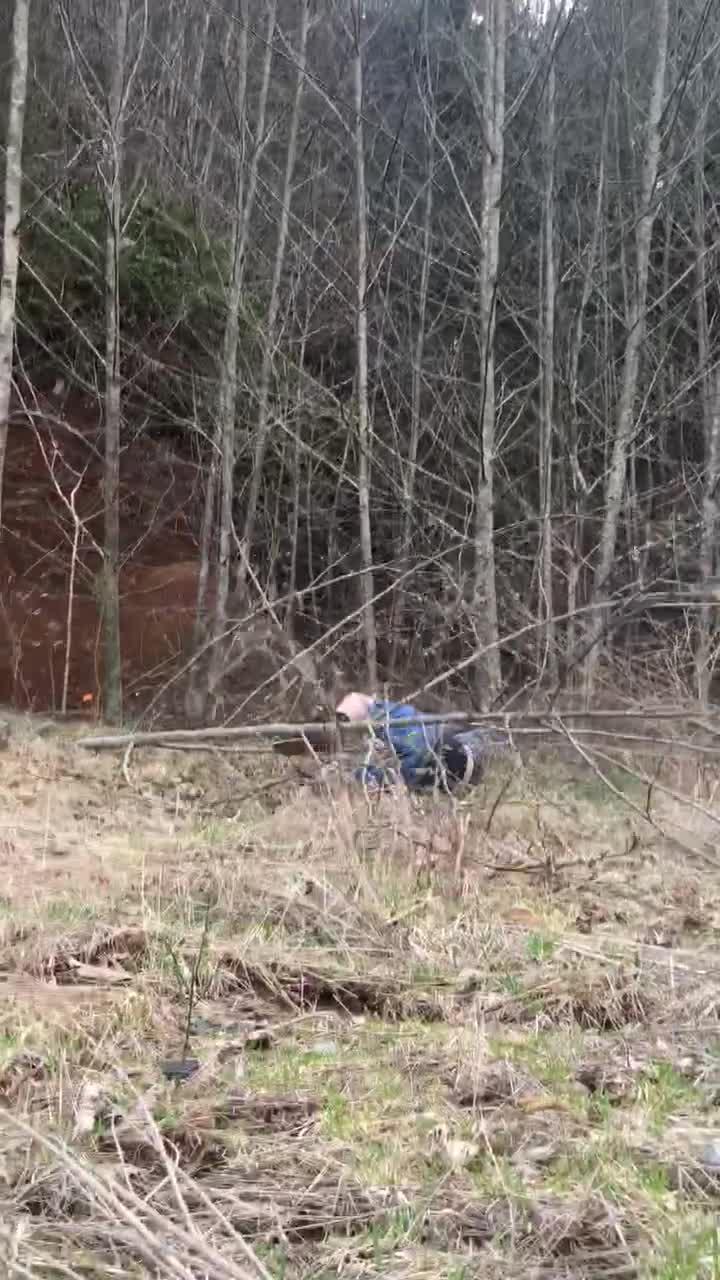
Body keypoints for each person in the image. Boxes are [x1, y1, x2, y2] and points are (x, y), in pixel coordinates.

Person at [335, 692, 508, 793]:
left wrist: (366, 776)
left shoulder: (393, 721)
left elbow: (415, 754)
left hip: (457, 761)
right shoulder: (391, 713)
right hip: (454, 759)